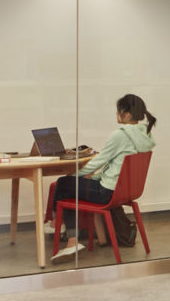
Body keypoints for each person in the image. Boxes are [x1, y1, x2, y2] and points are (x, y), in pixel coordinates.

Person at [48, 94, 157, 255]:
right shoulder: (145, 136)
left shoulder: (121, 134)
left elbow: (100, 160)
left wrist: (75, 174)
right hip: (124, 192)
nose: (116, 114)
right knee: (70, 184)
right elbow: (117, 166)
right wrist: (94, 177)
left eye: (118, 111)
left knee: (64, 183)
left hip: (106, 193)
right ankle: (60, 226)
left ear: (127, 114)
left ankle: (60, 228)